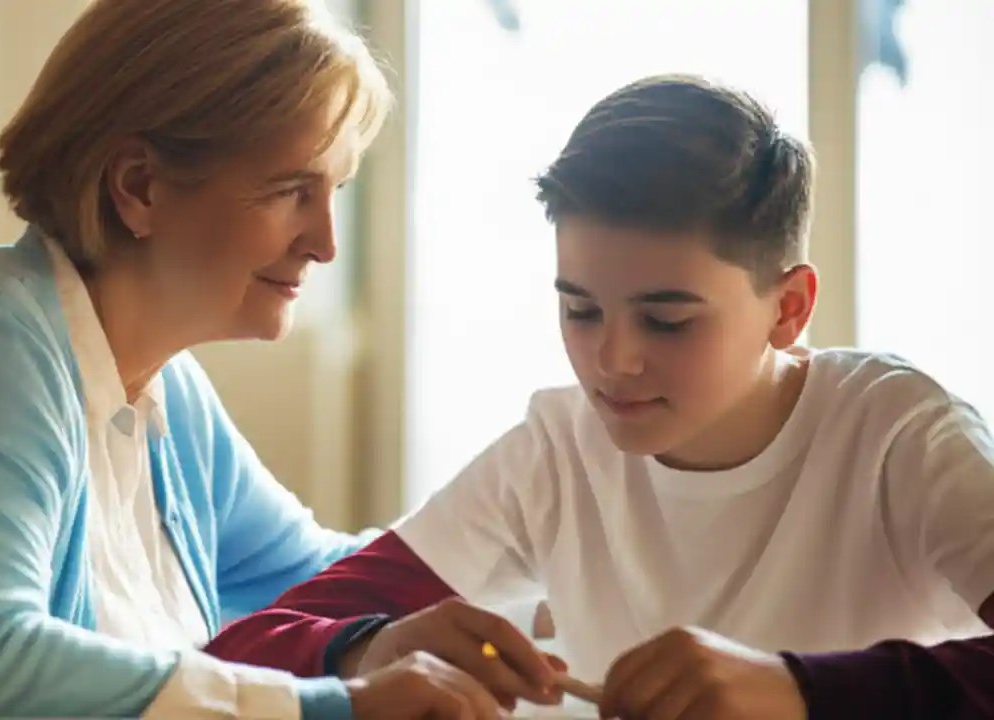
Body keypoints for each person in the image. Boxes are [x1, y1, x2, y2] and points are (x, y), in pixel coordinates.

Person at [0, 2, 515, 718]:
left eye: (334, 192)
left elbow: (313, 577)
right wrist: (334, 706)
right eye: (289, 191)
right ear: (139, 186)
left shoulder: (160, 388)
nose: (325, 243)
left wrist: (537, 567)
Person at [204, 74, 994, 719]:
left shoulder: (898, 433)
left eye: (667, 321)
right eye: (580, 310)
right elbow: (246, 646)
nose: (611, 361)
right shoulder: (557, 450)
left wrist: (796, 688)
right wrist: (375, 645)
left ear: (787, 309)